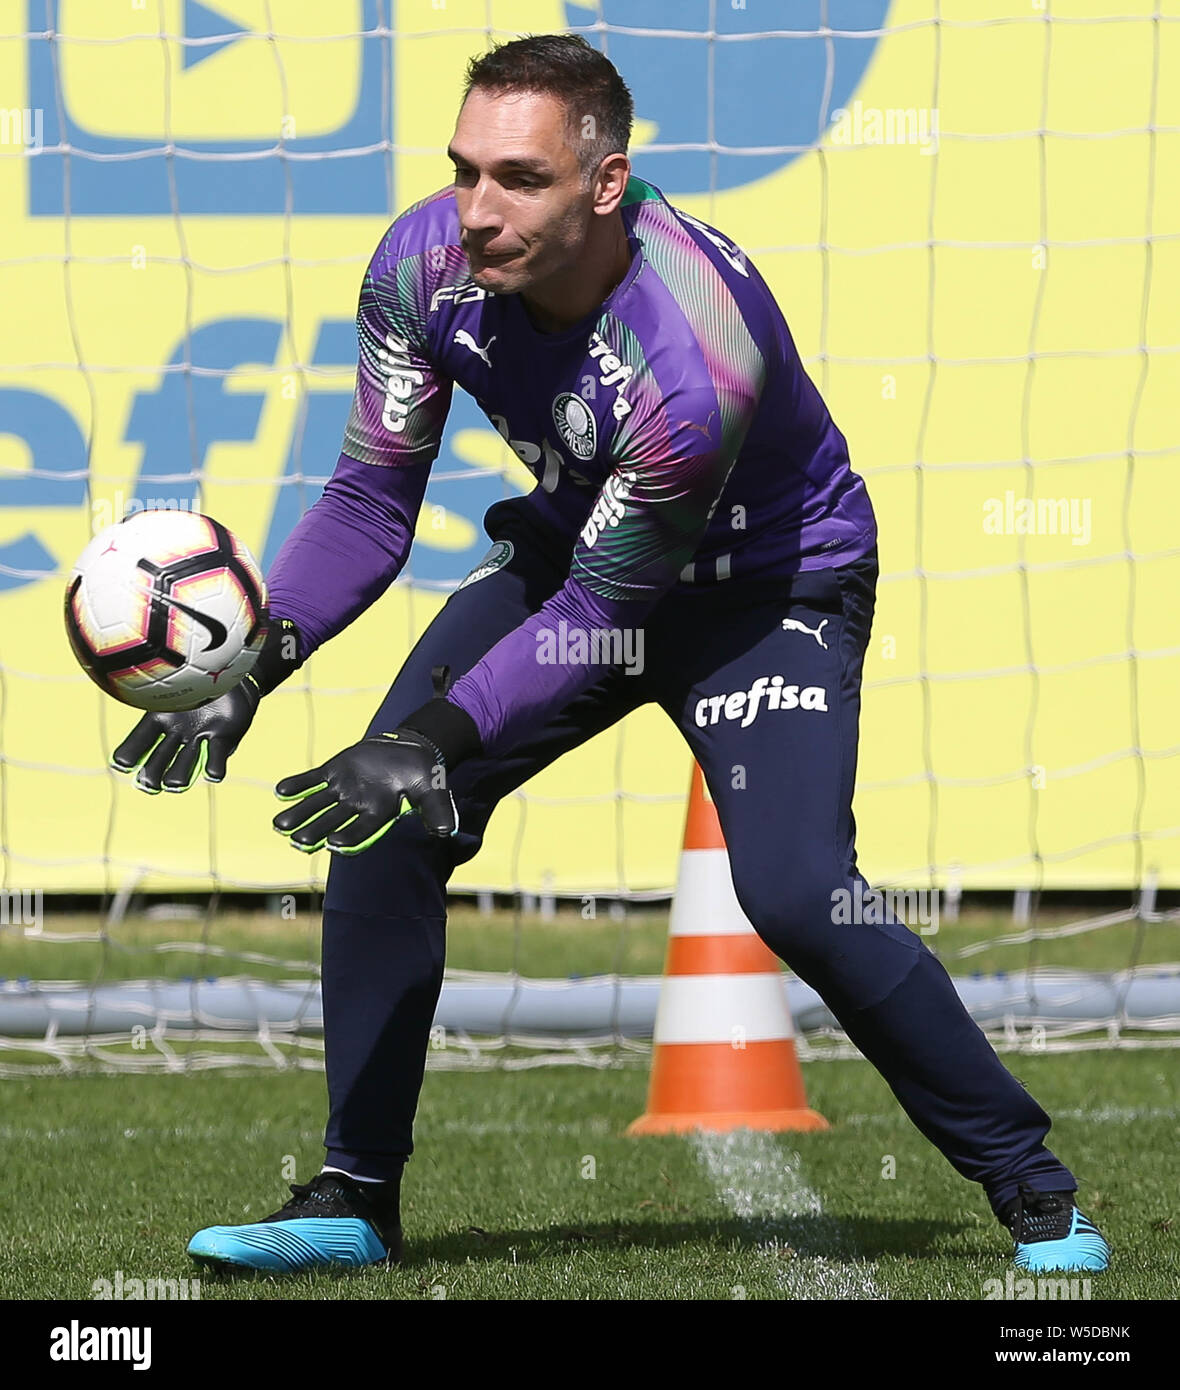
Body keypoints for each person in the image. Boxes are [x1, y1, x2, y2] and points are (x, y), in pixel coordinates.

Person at [112, 34, 1110, 1279]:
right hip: (578, 552)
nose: (476, 210)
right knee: (382, 827)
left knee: (799, 891)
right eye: (463, 168)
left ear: (605, 183)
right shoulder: (422, 266)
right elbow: (371, 502)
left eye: (518, 178)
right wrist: (257, 657)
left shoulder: (694, 350)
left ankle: (1034, 1189)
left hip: (763, 590)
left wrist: (428, 740)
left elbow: (605, 613)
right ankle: (353, 1199)